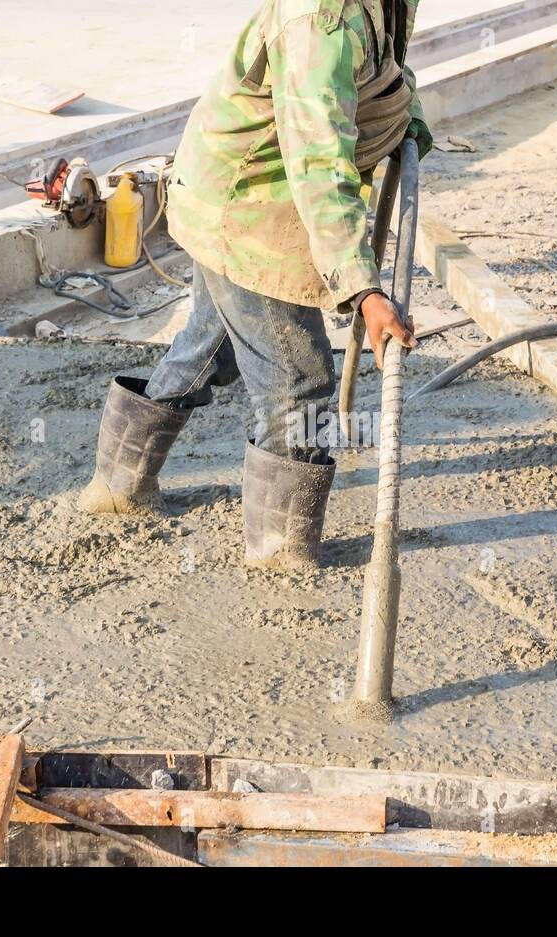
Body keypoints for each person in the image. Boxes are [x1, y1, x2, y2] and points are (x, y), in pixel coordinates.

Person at [78, 0, 432, 569]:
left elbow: (387, 60)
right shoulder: (320, 22)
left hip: (247, 195)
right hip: (247, 208)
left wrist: (403, 112)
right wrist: (363, 290)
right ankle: (280, 553)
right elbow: (318, 162)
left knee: (210, 349)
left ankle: (118, 488)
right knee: (299, 381)